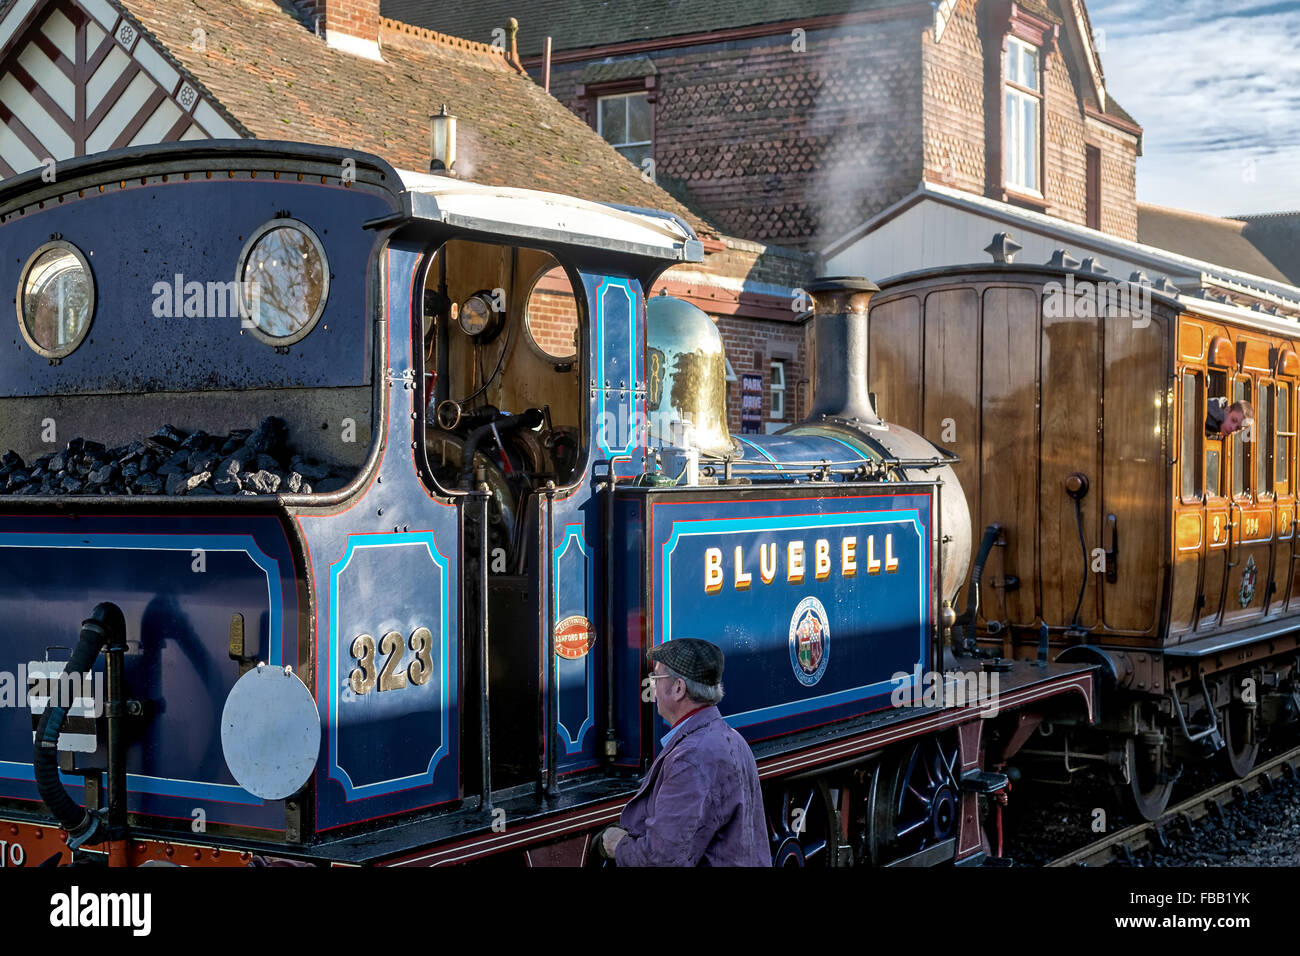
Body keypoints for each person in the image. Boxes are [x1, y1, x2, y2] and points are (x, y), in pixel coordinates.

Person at [598, 638, 770, 866]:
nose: (653, 688)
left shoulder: (691, 758)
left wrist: (617, 844)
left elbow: (662, 860)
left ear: (678, 688)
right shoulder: (731, 738)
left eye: (656, 678)